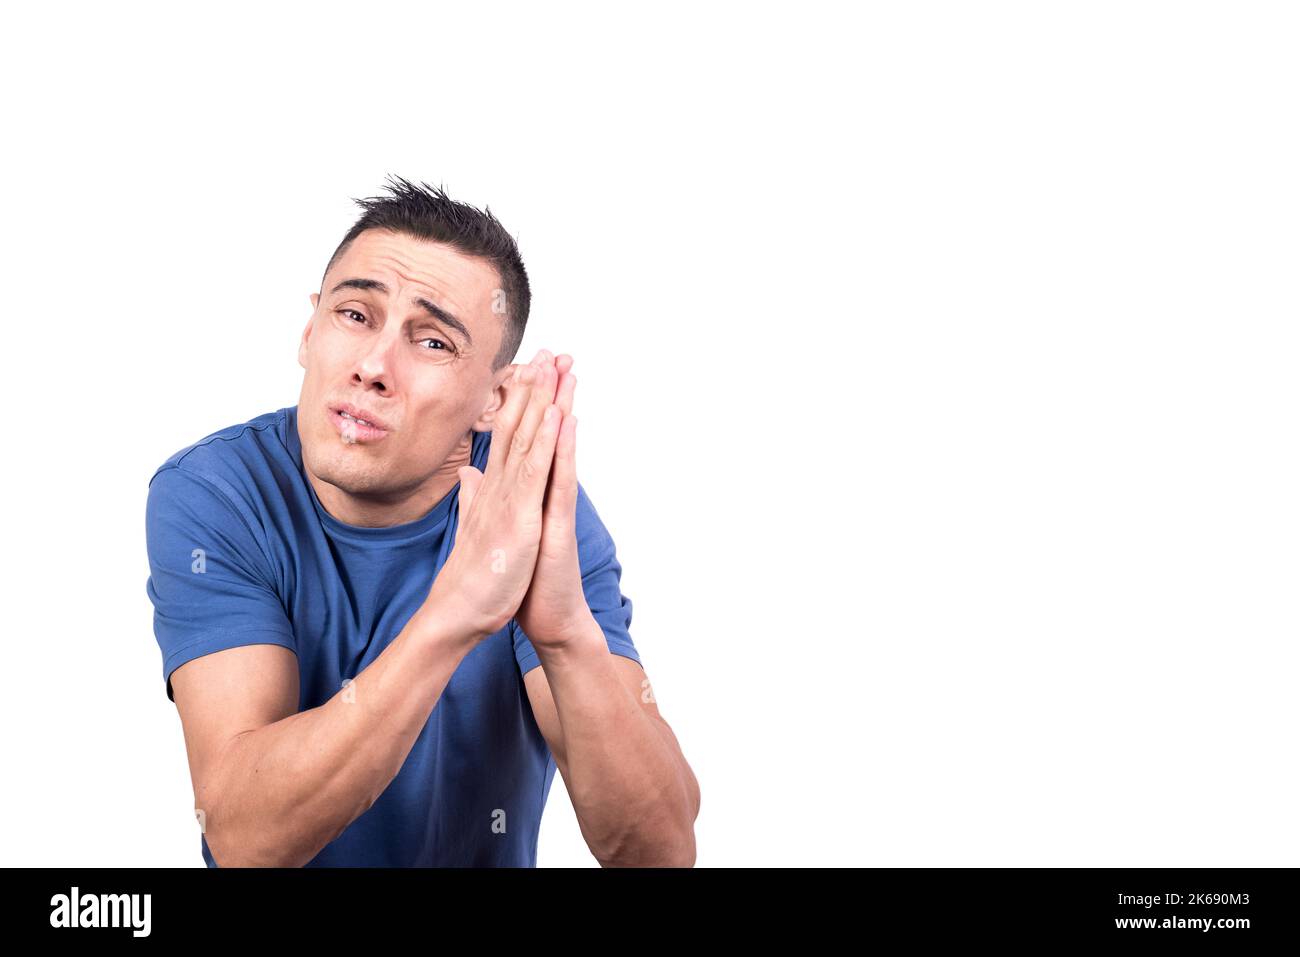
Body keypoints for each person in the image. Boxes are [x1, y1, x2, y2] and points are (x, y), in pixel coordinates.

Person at [144, 175, 699, 866]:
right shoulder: (217, 492)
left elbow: (658, 850)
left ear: (495, 398)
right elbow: (244, 836)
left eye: (432, 342)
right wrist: (455, 613)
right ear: (309, 329)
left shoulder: (527, 509)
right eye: (354, 315)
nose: (374, 366)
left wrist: (564, 632)